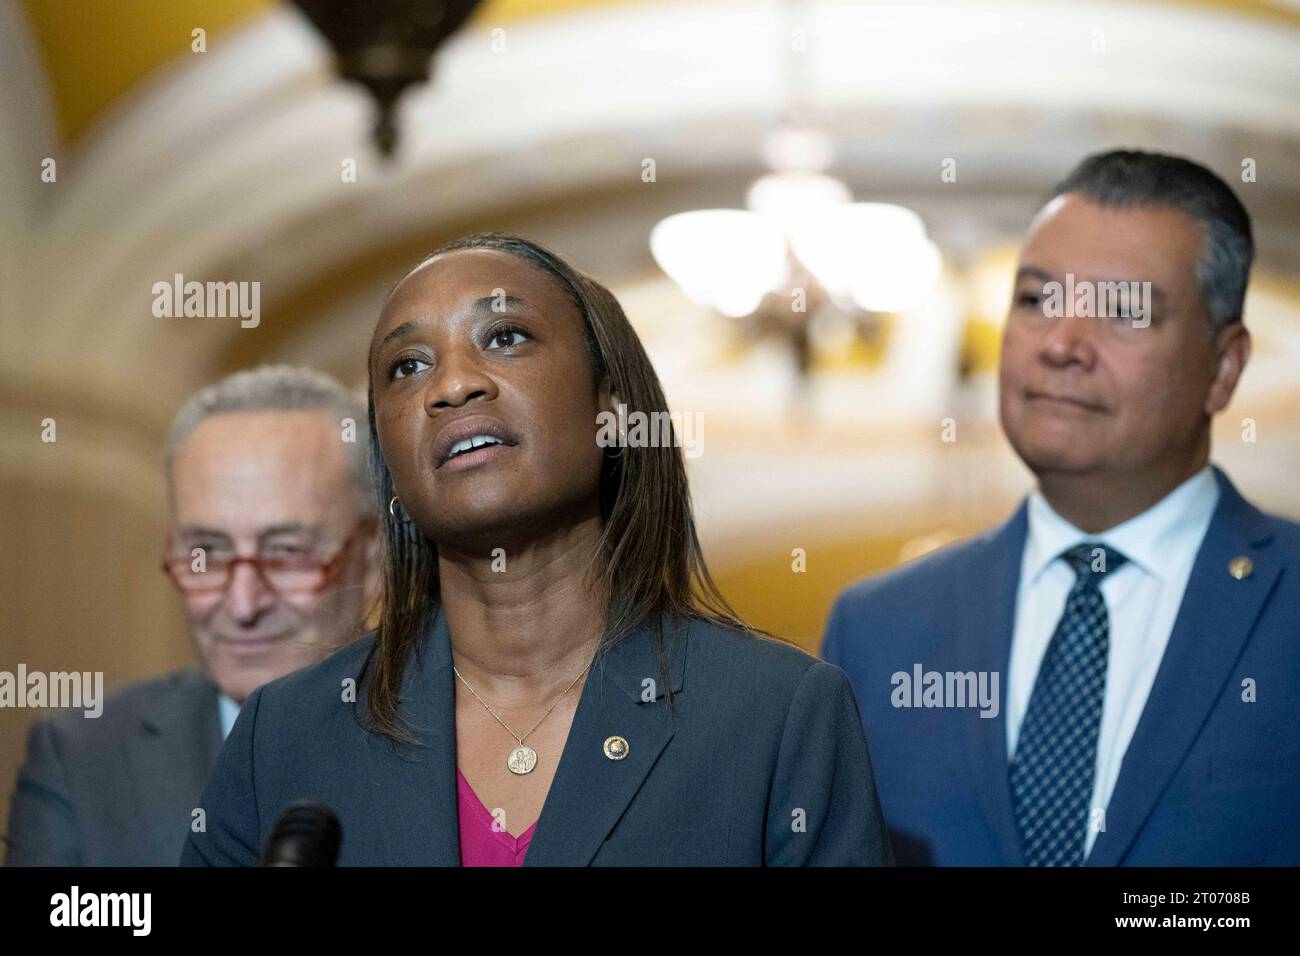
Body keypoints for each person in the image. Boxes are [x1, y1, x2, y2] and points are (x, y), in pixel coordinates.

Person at [182, 233, 892, 866]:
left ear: (610, 410)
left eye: (505, 337)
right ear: (388, 463)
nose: (453, 385)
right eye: (406, 366)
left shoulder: (778, 713)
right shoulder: (286, 733)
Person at [823, 149, 1300, 866]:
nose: (1063, 344)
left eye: (1122, 312)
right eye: (1037, 299)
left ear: (1224, 368)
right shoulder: (879, 630)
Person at [4, 366, 378, 865]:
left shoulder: (459, 743)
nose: (243, 605)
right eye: (207, 553)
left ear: (374, 557)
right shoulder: (80, 762)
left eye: (287, 552)